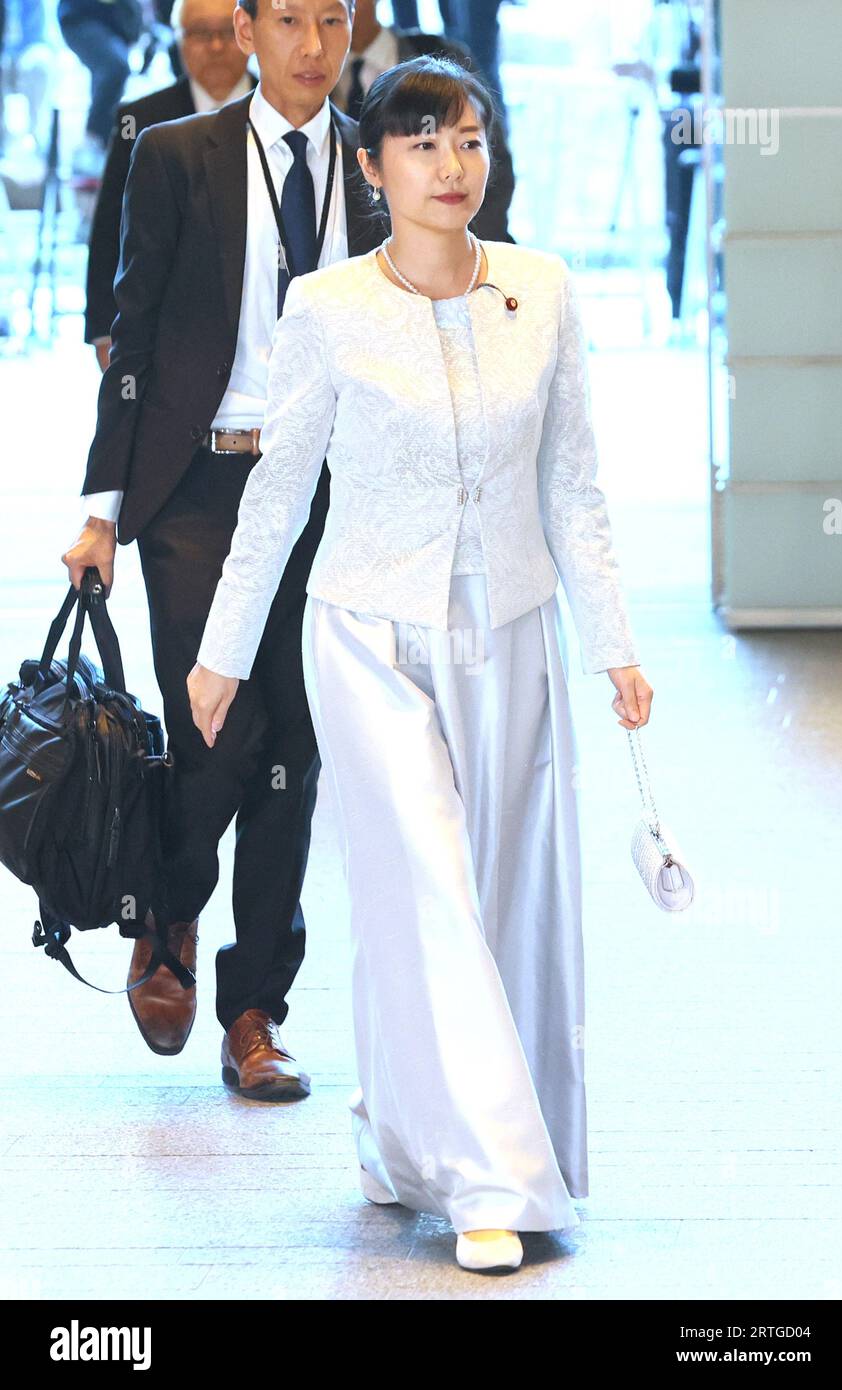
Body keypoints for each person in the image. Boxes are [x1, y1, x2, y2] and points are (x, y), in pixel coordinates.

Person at [189, 55, 654, 1272]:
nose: (454, 167)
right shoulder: (328, 306)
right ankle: (489, 1182)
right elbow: (280, 488)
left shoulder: (542, 291)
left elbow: (575, 486)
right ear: (372, 164)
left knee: (489, 899)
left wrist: (615, 647)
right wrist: (224, 648)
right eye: (425, 144)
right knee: (432, 894)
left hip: (513, 628)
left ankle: (401, 1138)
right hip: (365, 631)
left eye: (471, 142)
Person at [61, 0, 383, 1099]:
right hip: (199, 483)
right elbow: (132, 335)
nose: (310, 44)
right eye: (285, 20)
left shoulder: (380, 161)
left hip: (332, 493)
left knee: (295, 744)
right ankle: (166, 911)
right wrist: (103, 508)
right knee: (220, 725)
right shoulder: (175, 155)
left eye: (329, 21)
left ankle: (253, 1009)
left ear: (356, 28)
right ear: (246, 33)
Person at [86, 0, 255, 369]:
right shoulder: (140, 119)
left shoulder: (278, 108)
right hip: (165, 325)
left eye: (226, 32)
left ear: (248, 34)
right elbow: (111, 225)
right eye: (199, 33)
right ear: (178, 40)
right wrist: (103, 328)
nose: (215, 46)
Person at [333, 0, 514, 240]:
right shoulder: (308, 80)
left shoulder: (448, 60)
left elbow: (497, 173)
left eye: (469, 144)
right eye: (425, 145)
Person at [58, 0, 144, 177]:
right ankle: (93, 139)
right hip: (82, 16)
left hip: (120, 23)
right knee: (115, 67)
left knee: (114, 76)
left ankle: (104, 144)